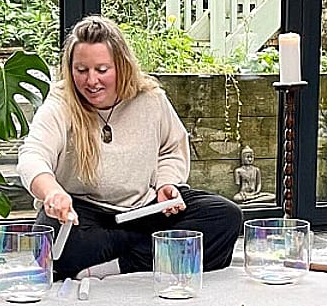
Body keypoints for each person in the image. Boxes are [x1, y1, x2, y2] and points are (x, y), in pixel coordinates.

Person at [18, 15, 243, 280]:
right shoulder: (61, 102)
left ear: (121, 66)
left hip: (145, 211)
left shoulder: (150, 98)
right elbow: (33, 155)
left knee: (225, 217)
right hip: (86, 216)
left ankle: (121, 265)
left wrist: (166, 185)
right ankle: (156, 253)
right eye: (82, 70)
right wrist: (53, 193)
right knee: (50, 243)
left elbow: (171, 149)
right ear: (70, 70)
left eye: (102, 70)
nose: (91, 81)